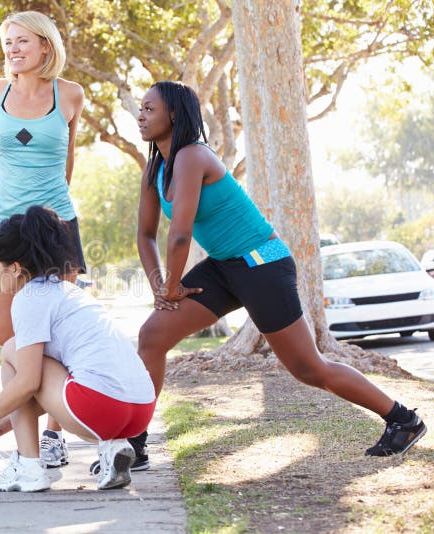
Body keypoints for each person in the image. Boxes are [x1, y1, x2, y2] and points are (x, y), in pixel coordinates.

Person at [136, 80, 427, 457]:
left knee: (308, 368)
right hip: (225, 266)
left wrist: (172, 286)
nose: (140, 116)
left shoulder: (193, 156)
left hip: (262, 263)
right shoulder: (155, 168)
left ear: (173, 114)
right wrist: (160, 285)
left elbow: (179, 236)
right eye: (140, 109)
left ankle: (402, 419)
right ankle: (134, 442)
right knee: (152, 337)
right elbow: (145, 235)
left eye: (149, 109)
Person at [0, 206, 156, 492]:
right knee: (35, 361)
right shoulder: (69, 291)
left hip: (101, 409)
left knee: (10, 350)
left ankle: (29, 468)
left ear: (16, 267)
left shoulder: (29, 298)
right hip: (141, 410)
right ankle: (113, 447)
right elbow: (54, 381)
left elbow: (28, 382)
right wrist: (8, 421)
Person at [0, 10, 87, 469]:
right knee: (3, 333)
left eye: (22, 41)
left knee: (58, 336)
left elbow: (67, 159)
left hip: (55, 228)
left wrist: (51, 211)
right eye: (8, 43)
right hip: (6, 228)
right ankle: (25, 425)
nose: (13, 50)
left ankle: (50, 437)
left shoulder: (70, 94)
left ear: (45, 45)